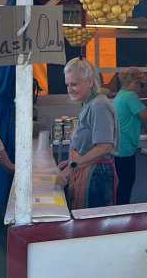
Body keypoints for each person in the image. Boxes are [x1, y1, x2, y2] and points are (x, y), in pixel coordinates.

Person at [56, 58, 118, 209]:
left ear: (90, 82)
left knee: (92, 227)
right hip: (90, 173)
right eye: (68, 85)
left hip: (97, 176)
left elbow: (104, 147)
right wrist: (69, 164)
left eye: (74, 84)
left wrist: (72, 167)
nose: (70, 89)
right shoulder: (89, 104)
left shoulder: (99, 105)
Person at [113, 68, 147, 205]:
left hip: (119, 145)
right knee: (126, 183)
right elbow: (146, 115)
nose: (141, 89)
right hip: (125, 147)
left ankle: (121, 210)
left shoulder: (121, 94)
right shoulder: (130, 96)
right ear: (133, 82)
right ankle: (123, 212)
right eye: (141, 85)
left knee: (122, 183)